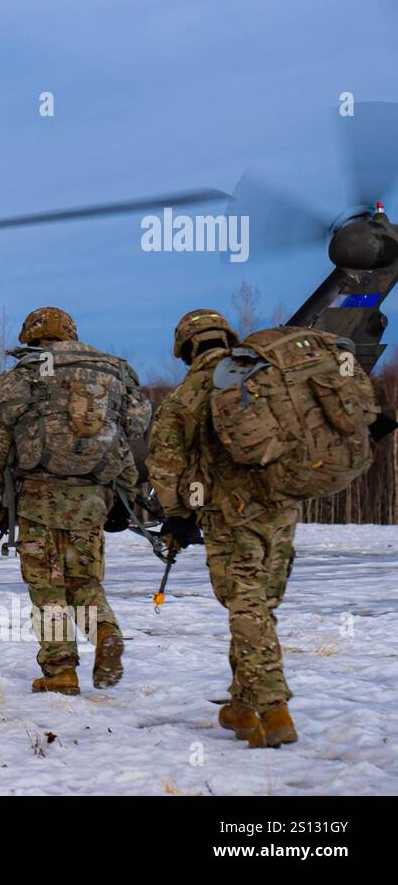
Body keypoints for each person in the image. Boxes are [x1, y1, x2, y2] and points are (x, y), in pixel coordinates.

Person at [146, 309, 323, 748]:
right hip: (281, 508)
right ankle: (242, 709)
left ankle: (273, 707)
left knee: (246, 608)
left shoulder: (186, 395)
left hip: (229, 513)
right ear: (227, 337)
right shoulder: (270, 377)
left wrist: (177, 515)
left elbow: (165, 463)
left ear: (187, 348)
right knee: (260, 606)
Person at [0, 307, 151, 695]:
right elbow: (130, 433)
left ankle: (60, 672)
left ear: (31, 335)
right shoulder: (112, 372)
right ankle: (104, 629)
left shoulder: (24, 374)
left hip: (37, 497)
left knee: (48, 589)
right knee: (84, 582)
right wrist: (127, 497)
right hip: (91, 499)